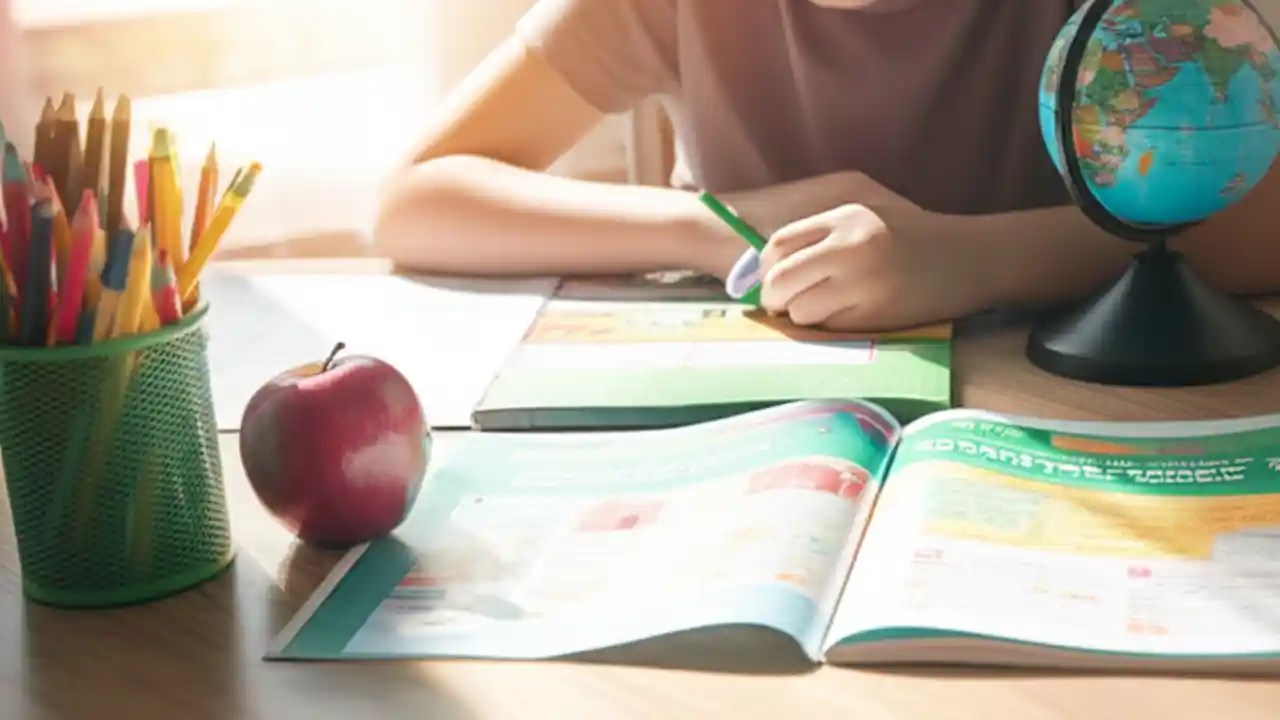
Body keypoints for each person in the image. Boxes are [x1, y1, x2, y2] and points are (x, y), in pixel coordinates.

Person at [374, 0, 1280, 331]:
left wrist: (969, 262)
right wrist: (710, 228)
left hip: (1065, 417)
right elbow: (417, 199)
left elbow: (1265, 217)